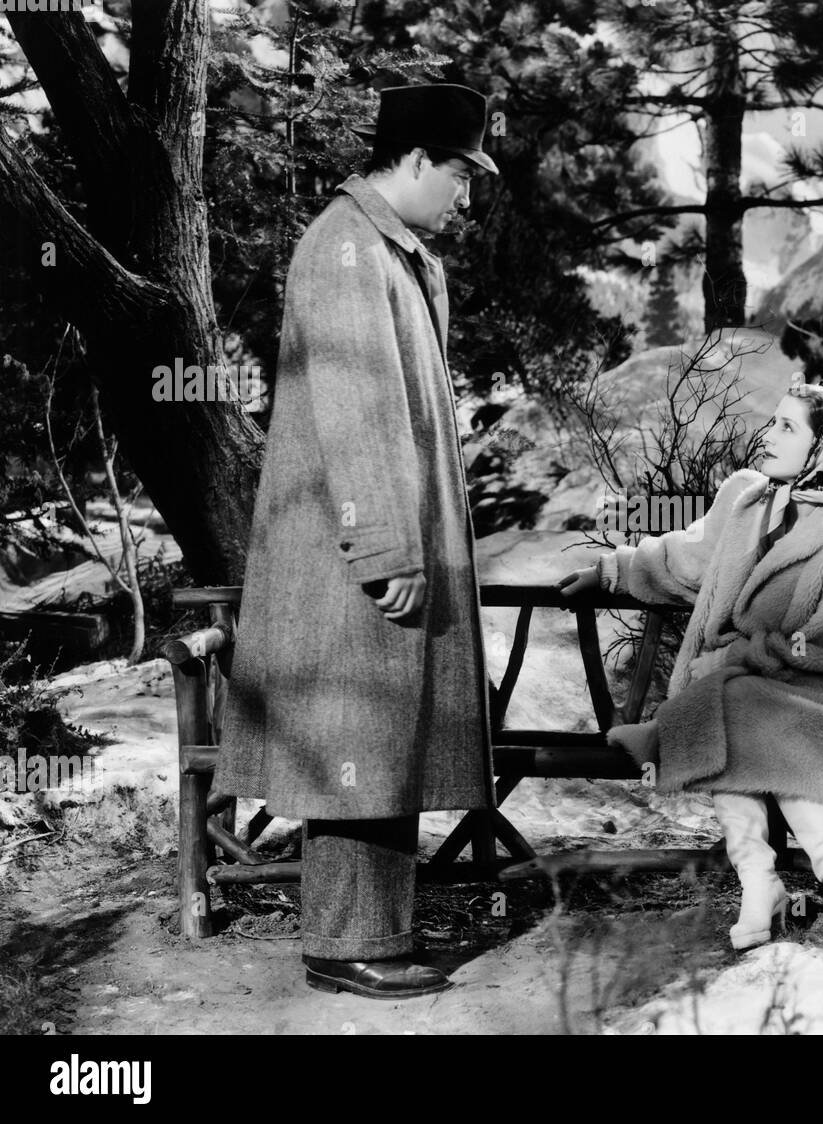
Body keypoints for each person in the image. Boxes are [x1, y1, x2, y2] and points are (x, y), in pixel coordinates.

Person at [214, 84, 500, 999]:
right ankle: (346, 945)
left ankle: (374, 932)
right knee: (360, 741)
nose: (465, 195)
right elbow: (354, 412)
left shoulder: (385, 249)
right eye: (459, 174)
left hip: (372, 544)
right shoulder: (346, 248)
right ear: (414, 160)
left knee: (381, 740)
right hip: (355, 553)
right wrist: (383, 546)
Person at [557, 373, 823, 960]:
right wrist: (612, 571)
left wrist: (735, 658)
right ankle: (765, 885)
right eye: (772, 421)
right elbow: (687, 557)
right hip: (754, 689)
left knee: (737, 707)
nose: (768, 435)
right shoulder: (746, 501)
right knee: (733, 706)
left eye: (788, 427)